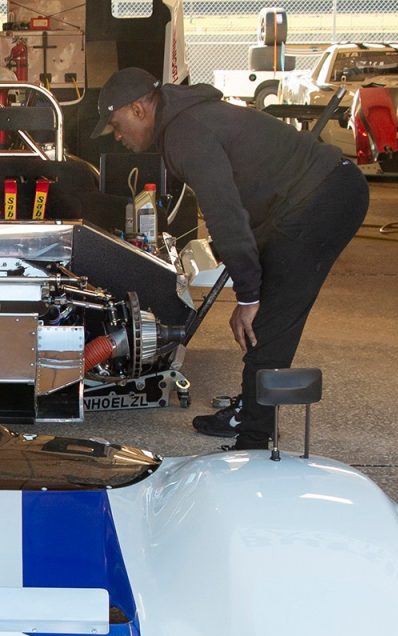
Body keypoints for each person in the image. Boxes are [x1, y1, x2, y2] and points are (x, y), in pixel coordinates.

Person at [94, 67, 369, 450]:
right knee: (265, 315)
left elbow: (225, 215)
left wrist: (248, 296)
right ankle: (253, 412)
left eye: (116, 125)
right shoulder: (184, 120)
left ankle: (253, 441)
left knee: (269, 322)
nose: (117, 136)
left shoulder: (185, 133)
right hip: (305, 199)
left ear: (138, 110)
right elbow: (241, 198)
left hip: (323, 199)